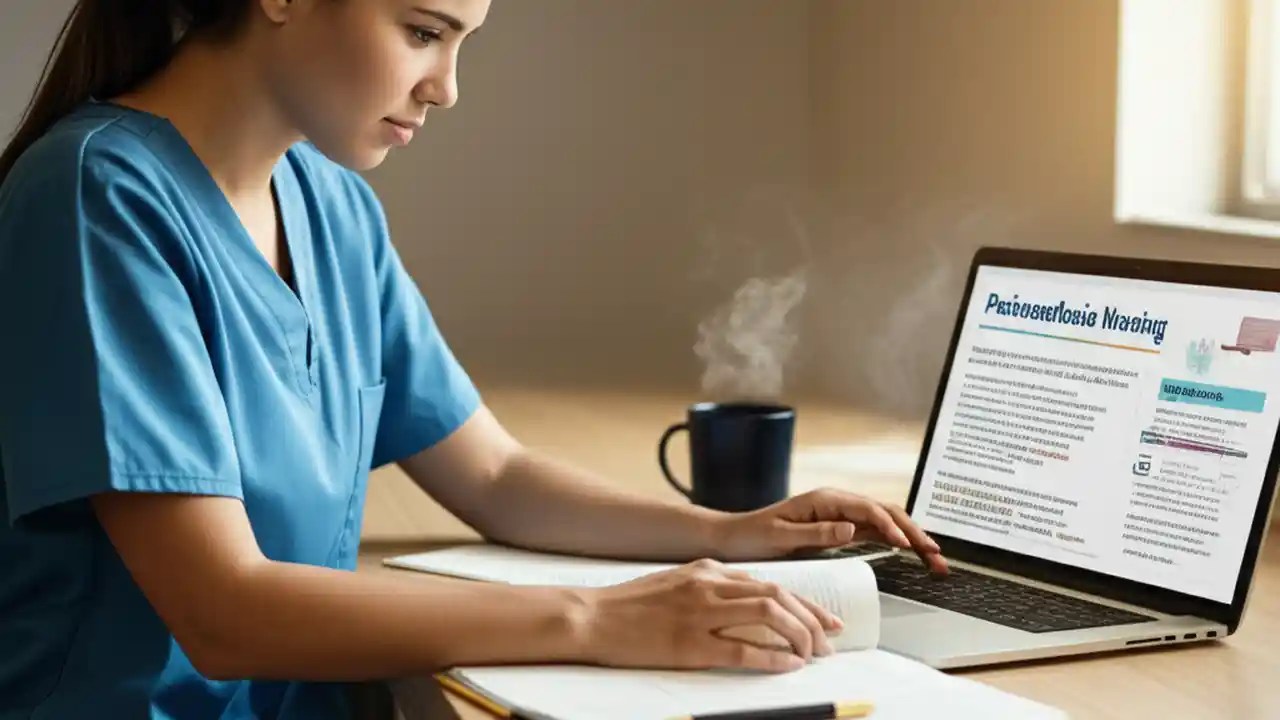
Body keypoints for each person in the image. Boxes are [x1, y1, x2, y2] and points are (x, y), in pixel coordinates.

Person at [0, 1, 948, 718]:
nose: (446, 86)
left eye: (463, 42)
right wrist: (600, 619)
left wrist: (739, 532)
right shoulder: (96, 197)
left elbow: (494, 475)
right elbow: (225, 610)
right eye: (421, 32)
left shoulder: (332, 205)